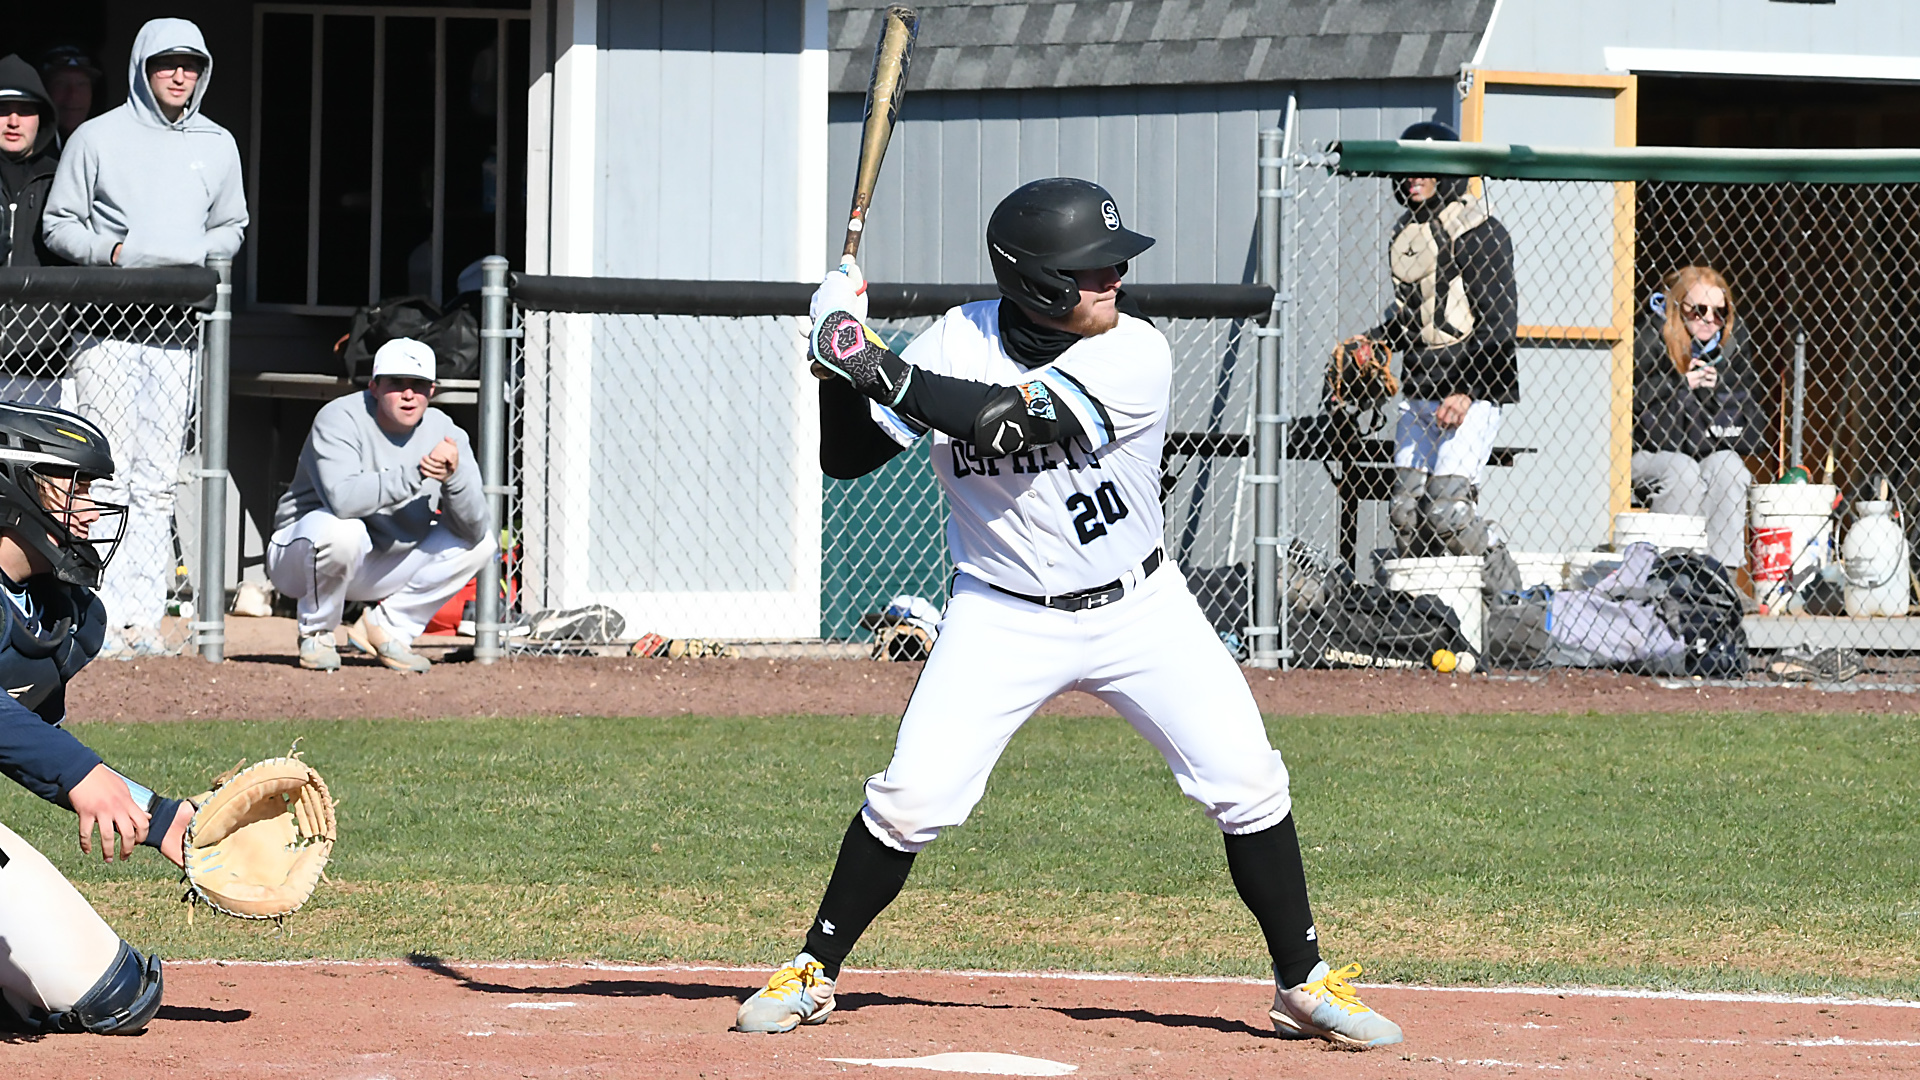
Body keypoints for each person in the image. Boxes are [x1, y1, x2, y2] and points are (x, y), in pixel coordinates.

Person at [733, 178, 1403, 1050]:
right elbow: (849, 458)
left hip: (1142, 608)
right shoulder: (960, 338)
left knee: (1249, 783)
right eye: (1092, 269)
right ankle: (812, 971)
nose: (1114, 278)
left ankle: (1303, 984)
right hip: (1000, 612)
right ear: (1039, 282)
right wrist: (834, 369)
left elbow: (1001, 422)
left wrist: (867, 357)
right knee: (910, 800)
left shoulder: (1136, 353)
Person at [41, 18, 249, 656]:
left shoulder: (217, 143)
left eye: (191, 63)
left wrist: (188, 254)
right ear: (141, 68)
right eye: (167, 63)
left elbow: (233, 226)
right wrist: (118, 253)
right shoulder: (97, 137)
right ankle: (96, 622)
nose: (180, 74)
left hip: (176, 333)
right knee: (105, 476)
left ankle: (142, 619)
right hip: (105, 329)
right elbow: (58, 223)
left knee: (157, 480)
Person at [0, 400, 186, 1034]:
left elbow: (23, 737)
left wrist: (161, 818)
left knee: (117, 995)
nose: (89, 507)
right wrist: (82, 770)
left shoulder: (58, 614)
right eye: (70, 485)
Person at [1356, 120, 1521, 597]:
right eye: (1408, 167)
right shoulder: (1411, 233)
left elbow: (1499, 322)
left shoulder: (1480, 230)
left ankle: (1507, 594)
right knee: (1405, 512)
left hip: (1474, 388)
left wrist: (1468, 391)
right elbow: (1418, 317)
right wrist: (1374, 342)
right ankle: (1429, 611)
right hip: (1422, 386)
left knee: (1447, 510)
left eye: (1426, 167)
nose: (1413, 176)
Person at [267, 338, 493, 673]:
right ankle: (317, 632)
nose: (408, 394)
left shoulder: (445, 431)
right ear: (374, 387)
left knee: (482, 543)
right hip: (300, 558)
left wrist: (453, 478)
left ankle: (388, 628)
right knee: (344, 531)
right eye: (396, 384)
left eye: (418, 385)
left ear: (432, 391)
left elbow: (473, 528)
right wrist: (417, 473)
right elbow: (343, 501)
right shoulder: (339, 417)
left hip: (376, 562)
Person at [1631, 266, 1766, 571]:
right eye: (1699, 310)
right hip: (1646, 452)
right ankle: (1670, 573)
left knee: (1730, 469)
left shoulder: (1730, 344)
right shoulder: (1649, 337)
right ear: (1678, 307)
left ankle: (1721, 578)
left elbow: (1753, 419)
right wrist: (1681, 385)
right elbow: (1636, 404)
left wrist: (1722, 386)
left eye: (1720, 312)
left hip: (1701, 447)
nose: (1709, 320)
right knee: (1683, 473)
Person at [0, 54, 69, 406]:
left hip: (42, 366)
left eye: (24, 109)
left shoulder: (64, 179)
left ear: (41, 117)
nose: (13, 120)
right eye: (3, 108)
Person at [35, 48, 100, 145]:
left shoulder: (108, 144)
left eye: (81, 84)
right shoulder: (29, 149)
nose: (73, 95)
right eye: (61, 84)